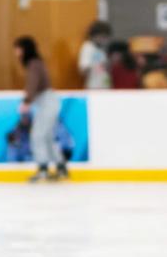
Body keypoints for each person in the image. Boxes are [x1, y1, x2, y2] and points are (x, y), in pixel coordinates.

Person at [16, 36, 67, 182]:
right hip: (48, 102)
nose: (16, 53)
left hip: (47, 102)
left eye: (18, 49)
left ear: (24, 49)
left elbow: (32, 83)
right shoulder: (36, 63)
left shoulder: (33, 64)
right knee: (47, 137)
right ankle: (60, 166)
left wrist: (26, 102)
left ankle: (43, 168)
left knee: (37, 136)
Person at [78, 20, 113, 90]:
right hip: (94, 87)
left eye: (106, 37)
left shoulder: (101, 50)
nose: (105, 40)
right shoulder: (88, 47)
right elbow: (84, 68)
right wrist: (98, 66)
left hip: (104, 86)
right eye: (103, 37)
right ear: (94, 36)